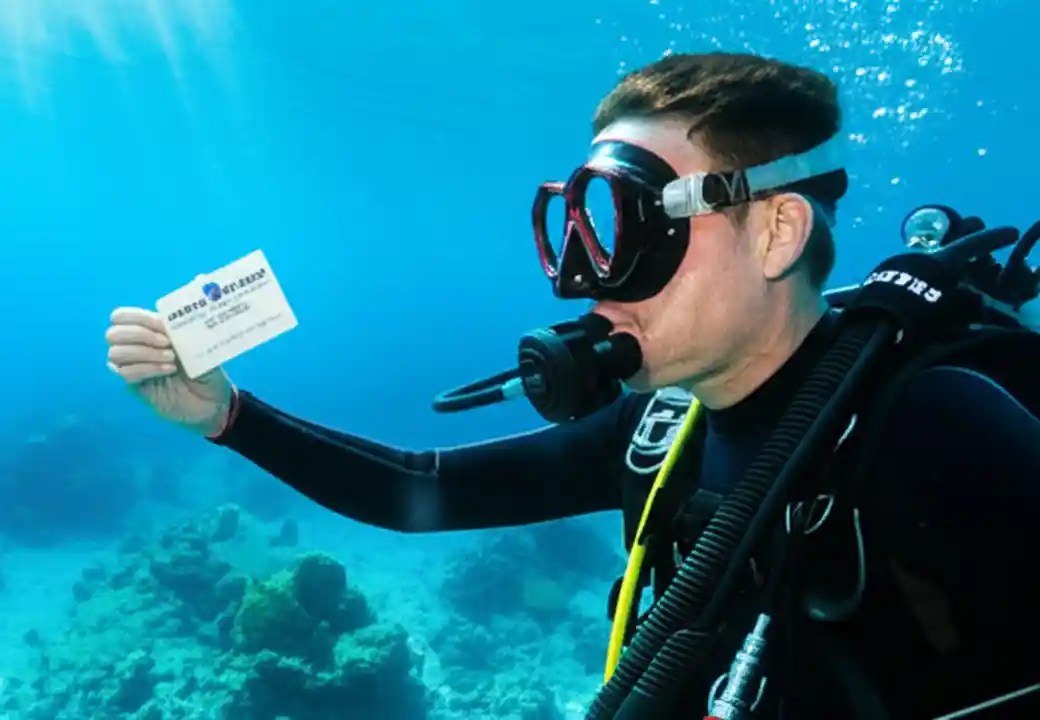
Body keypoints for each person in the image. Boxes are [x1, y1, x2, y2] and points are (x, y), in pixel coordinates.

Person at [106, 52, 1040, 719]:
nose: (588, 277)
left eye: (628, 224)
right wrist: (227, 415)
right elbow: (424, 491)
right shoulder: (661, 426)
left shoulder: (940, 431)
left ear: (775, 233)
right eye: (576, 229)